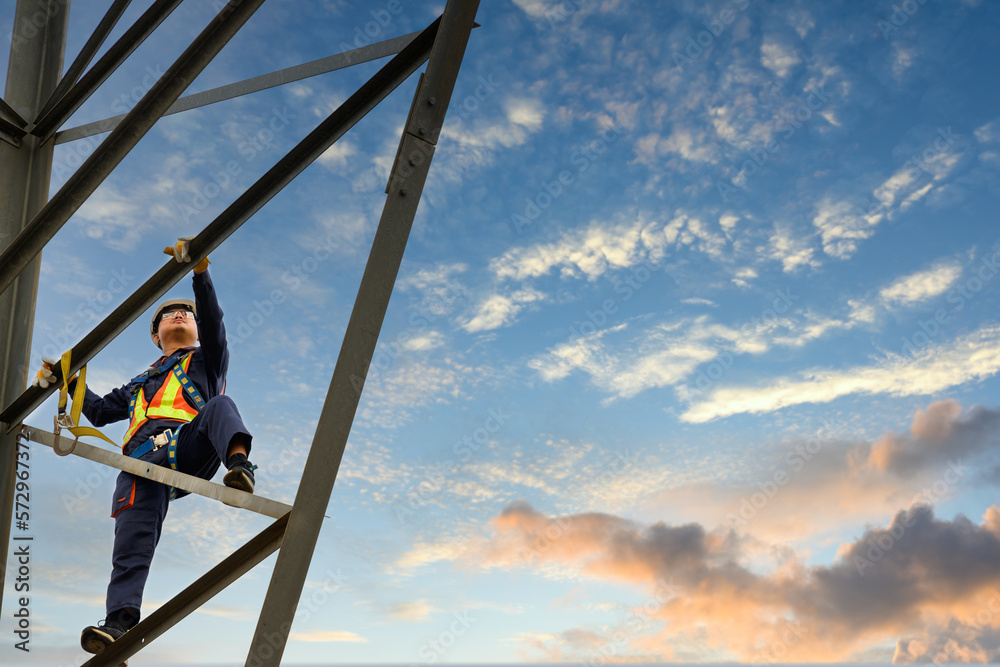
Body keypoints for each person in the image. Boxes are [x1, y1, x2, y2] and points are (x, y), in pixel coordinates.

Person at [33, 241, 258, 655]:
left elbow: (213, 322)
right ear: (156, 337)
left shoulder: (208, 361)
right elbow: (99, 412)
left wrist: (201, 276)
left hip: (192, 447)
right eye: (168, 315)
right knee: (130, 546)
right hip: (140, 466)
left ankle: (241, 465)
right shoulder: (140, 382)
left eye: (186, 313)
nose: (179, 314)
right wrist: (64, 379)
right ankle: (118, 627)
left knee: (221, 406)